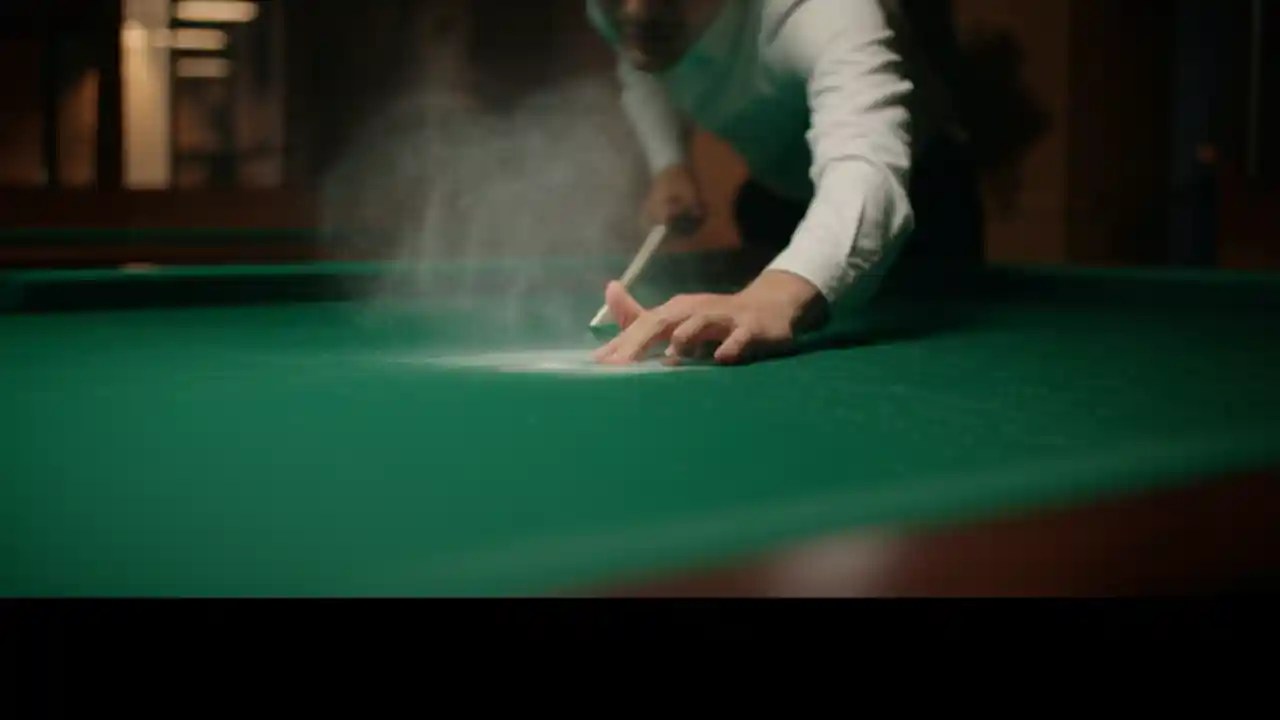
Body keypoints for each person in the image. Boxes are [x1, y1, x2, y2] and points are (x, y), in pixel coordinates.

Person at [586, 0, 983, 365]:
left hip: (921, 202)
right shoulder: (619, 13)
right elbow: (639, 67)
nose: (634, 10)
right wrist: (668, 163)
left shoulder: (826, 9)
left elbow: (865, 166)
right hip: (776, 201)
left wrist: (776, 296)